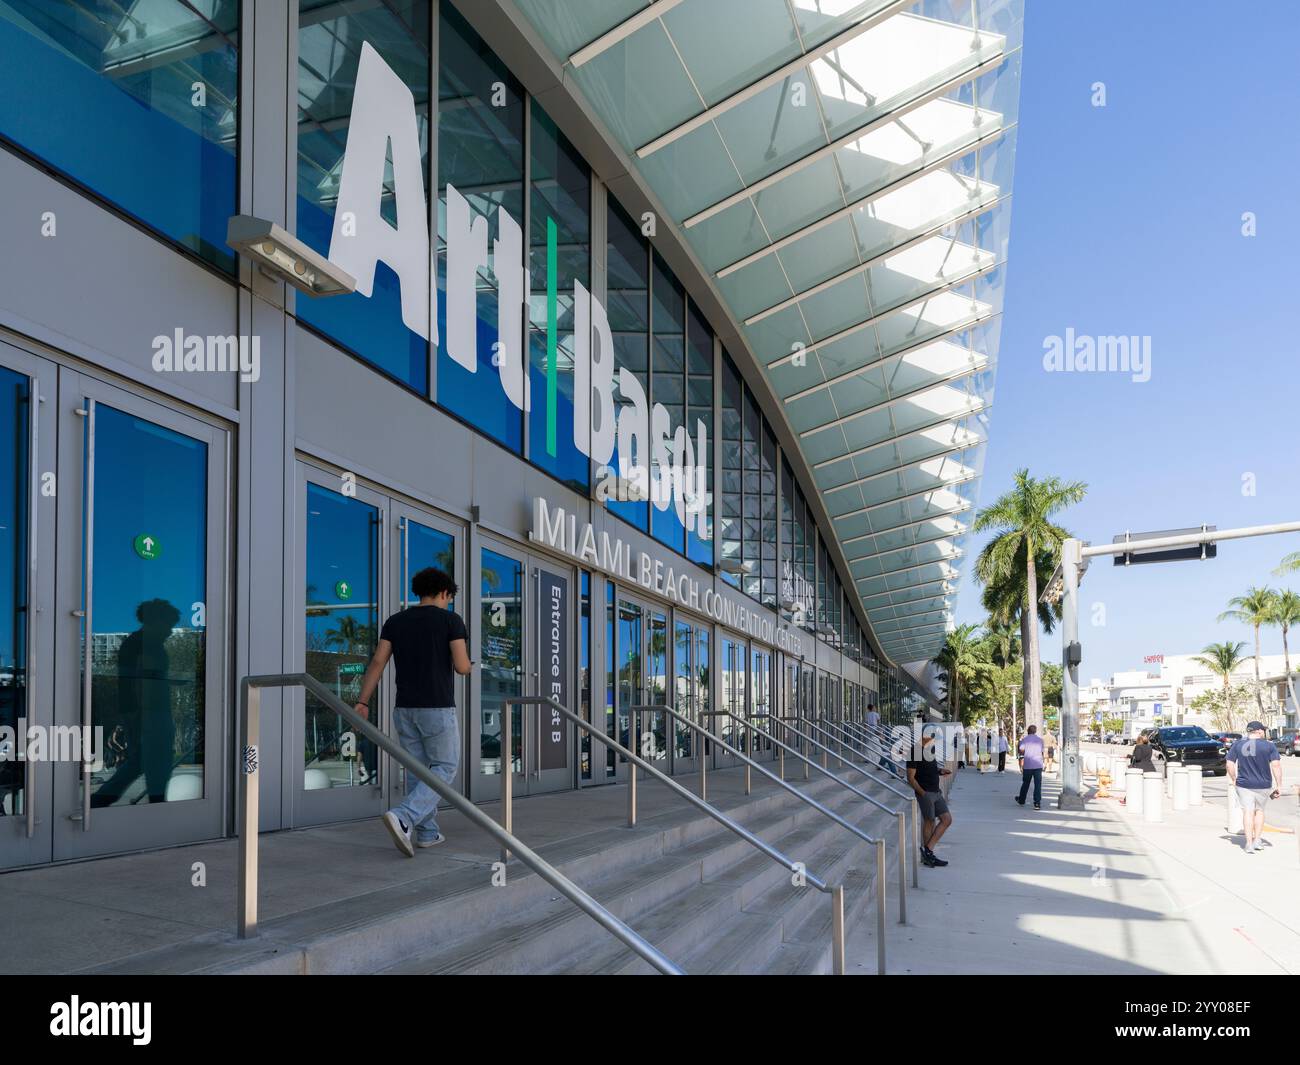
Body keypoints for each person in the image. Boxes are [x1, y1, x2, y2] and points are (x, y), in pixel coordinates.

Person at [354, 567, 472, 856]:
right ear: (444, 593)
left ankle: (428, 833)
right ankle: (405, 816)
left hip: (404, 708)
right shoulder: (450, 620)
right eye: (448, 597)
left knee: (419, 771)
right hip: (437, 707)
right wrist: (472, 663)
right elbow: (462, 667)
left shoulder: (395, 621)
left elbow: (378, 663)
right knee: (444, 767)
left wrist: (363, 702)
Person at [1226, 721, 1282, 854]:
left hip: (1244, 784)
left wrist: (1234, 779)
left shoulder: (1237, 744)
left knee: (1248, 812)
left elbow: (1229, 764)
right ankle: (1257, 840)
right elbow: (1276, 766)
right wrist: (1279, 785)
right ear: (1259, 731)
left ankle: (1249, 844)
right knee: (1260, 811)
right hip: (1263, 785)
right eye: (1263, 730)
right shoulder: (1269, 746)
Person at [907, 725, 953, 867]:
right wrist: (923, 793)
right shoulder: (915, 751)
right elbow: (910, 777)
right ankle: (928, 856)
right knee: (929, 821)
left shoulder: (929, 749)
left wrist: (940, 771)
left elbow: (928, 769)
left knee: (947, 819)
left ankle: (927, 850)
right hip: (926, 792)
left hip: (936, 791)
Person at [1015, 724, 1045, 810]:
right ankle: (1037, 803)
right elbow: (1042, 752)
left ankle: (1021, 800)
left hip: (1028, 765)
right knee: (1038, 785)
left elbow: (1021, 750)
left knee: (1025, 783)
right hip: (1038, 765)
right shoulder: (1040, 740)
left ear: (1028, 731)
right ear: (1035, 731)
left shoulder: (1025, 740)